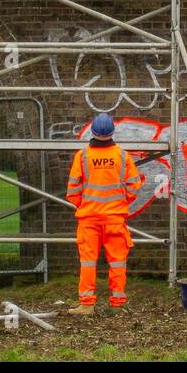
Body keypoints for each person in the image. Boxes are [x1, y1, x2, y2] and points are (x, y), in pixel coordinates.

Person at [65, 113, 144, 314]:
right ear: (112, 132)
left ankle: (87, 304)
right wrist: (121, 202)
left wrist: (84, 204)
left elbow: (73, 190)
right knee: (117, 262)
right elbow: (134, 186)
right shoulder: (123, 156)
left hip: (89, 218)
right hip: (115, 218)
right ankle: (117, 305)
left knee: (88, 263)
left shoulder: (82, 156)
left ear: (92, 131)